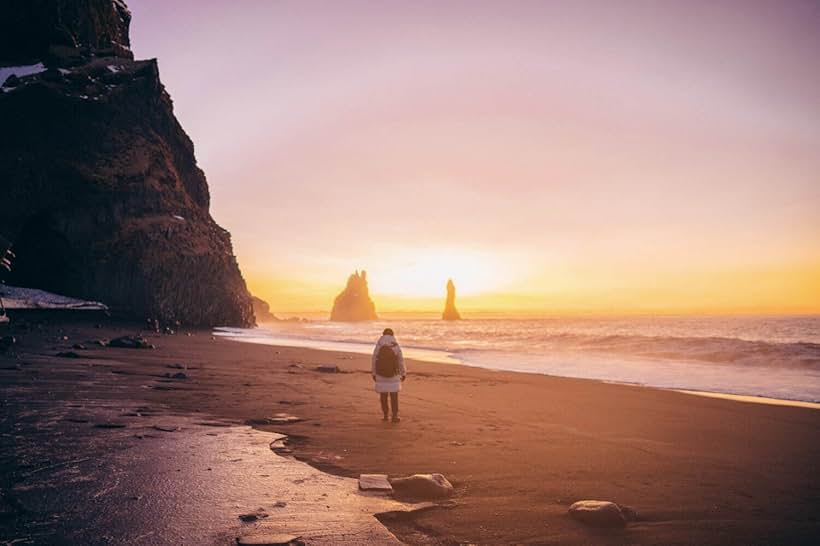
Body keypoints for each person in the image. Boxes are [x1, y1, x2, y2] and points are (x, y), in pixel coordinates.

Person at [371, 327, 406, 422]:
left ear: (383, 334)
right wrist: (403, 373)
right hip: (394, 375)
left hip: (381, 374)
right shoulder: (395, 345)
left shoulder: (379, 345)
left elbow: (374, 359)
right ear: (392, 335)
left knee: (383, 396)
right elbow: (400, 361)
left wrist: (374, 373)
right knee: (394, 396)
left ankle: (385, 415)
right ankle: (394, 416)